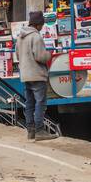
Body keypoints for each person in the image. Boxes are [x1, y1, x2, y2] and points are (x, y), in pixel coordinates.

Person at [15, 10, 57, 140]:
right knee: (40, 102)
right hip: (37, 74)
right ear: (38, 24)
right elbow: (40, 57)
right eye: (42, 25)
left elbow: (17, 55)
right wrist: (49, 55)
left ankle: (30, 131)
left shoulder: (20, 37)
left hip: (25, 75)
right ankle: (39, 130)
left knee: (29, 103)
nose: (42, 28)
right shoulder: (36, 37)